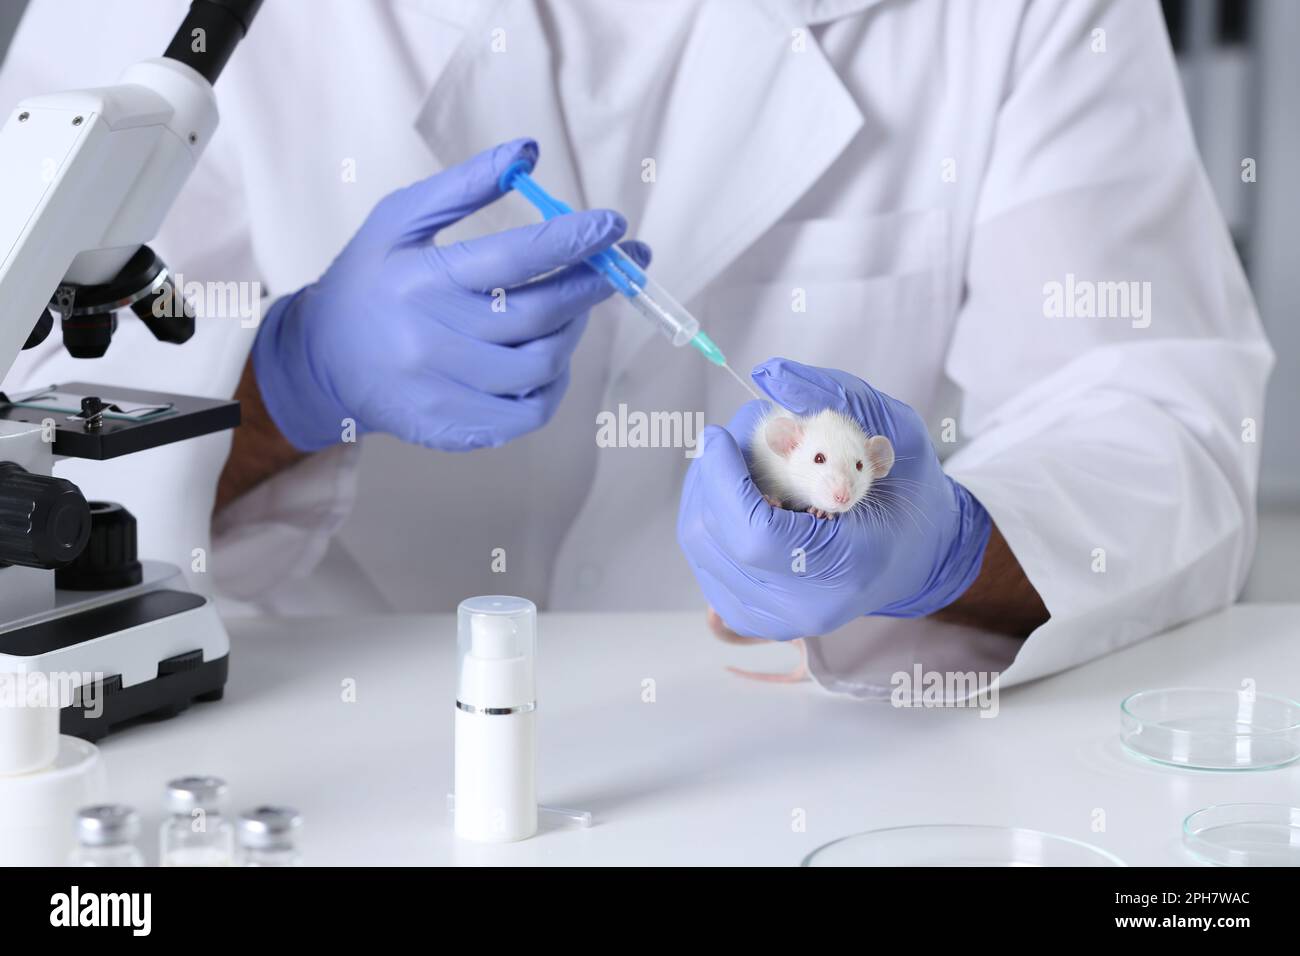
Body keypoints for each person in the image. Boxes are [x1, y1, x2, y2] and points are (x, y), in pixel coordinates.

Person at [0, 0, 1271, 698]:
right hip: (302, 738)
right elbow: (25, 432)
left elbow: (1158, 417)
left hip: (793, 751)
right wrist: (289, 382)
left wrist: (939, 552)